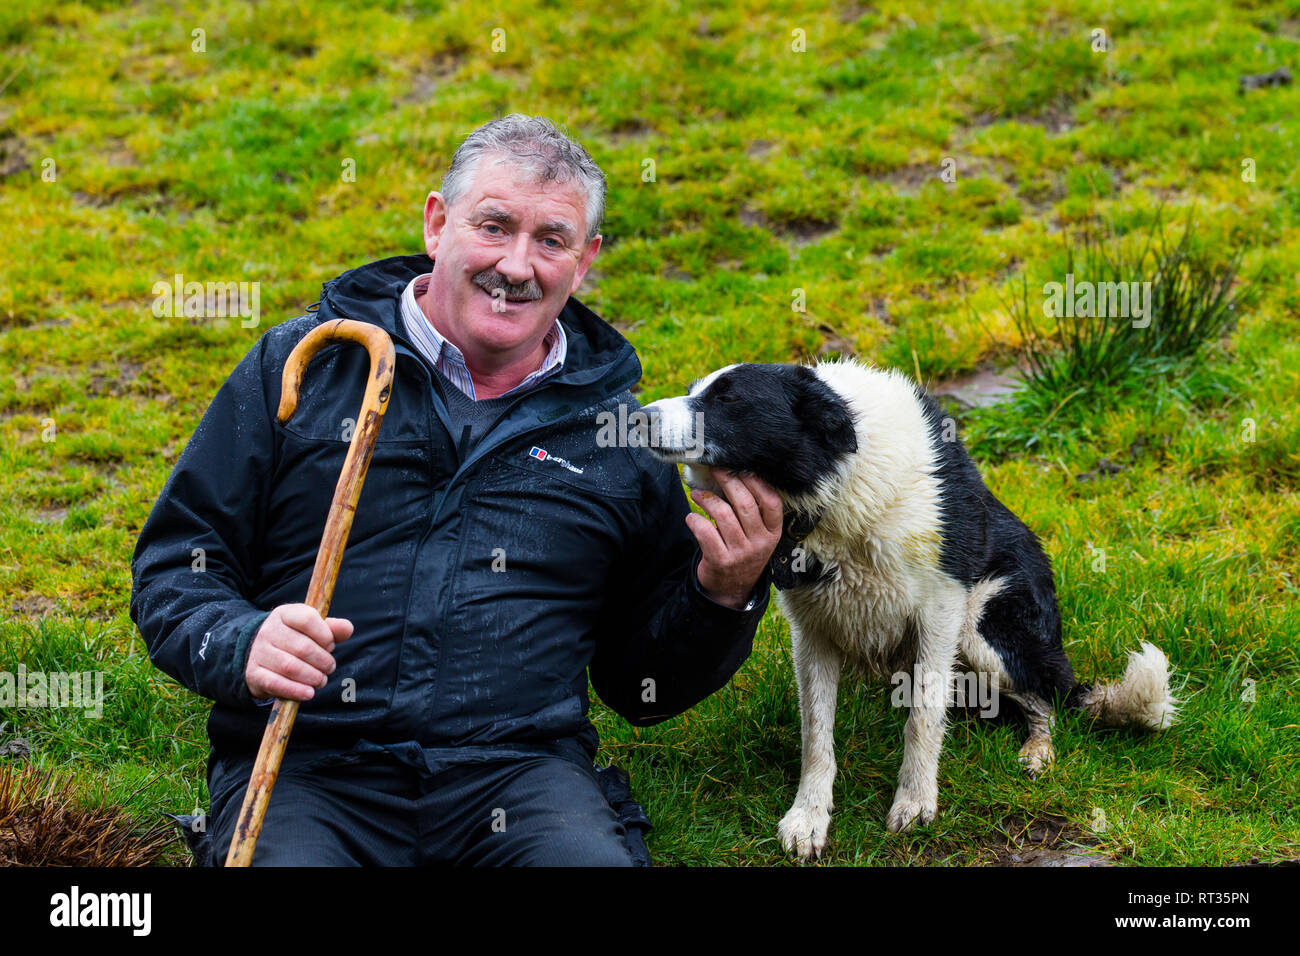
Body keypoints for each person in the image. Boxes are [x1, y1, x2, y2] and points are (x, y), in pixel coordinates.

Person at [130, 114, 783, 866]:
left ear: (586, 262)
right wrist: (241, 643)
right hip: (310, 765)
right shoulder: (306, 365)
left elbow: (643, 687)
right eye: (494, 226)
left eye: (551, 240)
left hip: (520, 775)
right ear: (437, 224)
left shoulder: (619, 441)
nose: (516, 265)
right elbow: (179, 563)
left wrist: (723, 595)